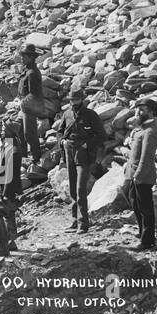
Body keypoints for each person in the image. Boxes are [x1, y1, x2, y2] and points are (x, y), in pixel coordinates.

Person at [58, 86, 107, 232]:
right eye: (72, 100)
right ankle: (74, 220)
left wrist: (87, 144)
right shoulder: (66, 114)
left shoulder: (90, 115)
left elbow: (101, 135)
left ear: (82, 99)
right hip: (69, 152)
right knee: (73, 187)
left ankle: (83, 223)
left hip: (84, 154)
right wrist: (62, 142)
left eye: (77, 99)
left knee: (80, 188)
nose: (74, 102)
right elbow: (60, 132)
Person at [124, 97, 157, 250]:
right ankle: (142, 232)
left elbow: (146, 157)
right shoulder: (142, 129)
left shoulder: (151, 131)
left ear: (151, 112)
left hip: (142, 176)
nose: (138, 112)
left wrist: (137, 176)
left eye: (142, 110)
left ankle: (147, 241)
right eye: (137, 109)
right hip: (134, 175)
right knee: (135, 204)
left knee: (146, 209)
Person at [16, 44, 47, 163]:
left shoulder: (32, 73)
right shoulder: (27, 71)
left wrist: (22, 102)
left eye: (24, 56)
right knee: (19, 130)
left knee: (29, 133)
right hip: (25, 106)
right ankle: (24, 156)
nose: (22, 58)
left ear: (31, 57)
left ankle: (36, 157)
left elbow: (34, 93)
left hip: (30, 107)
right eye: (22, 56)